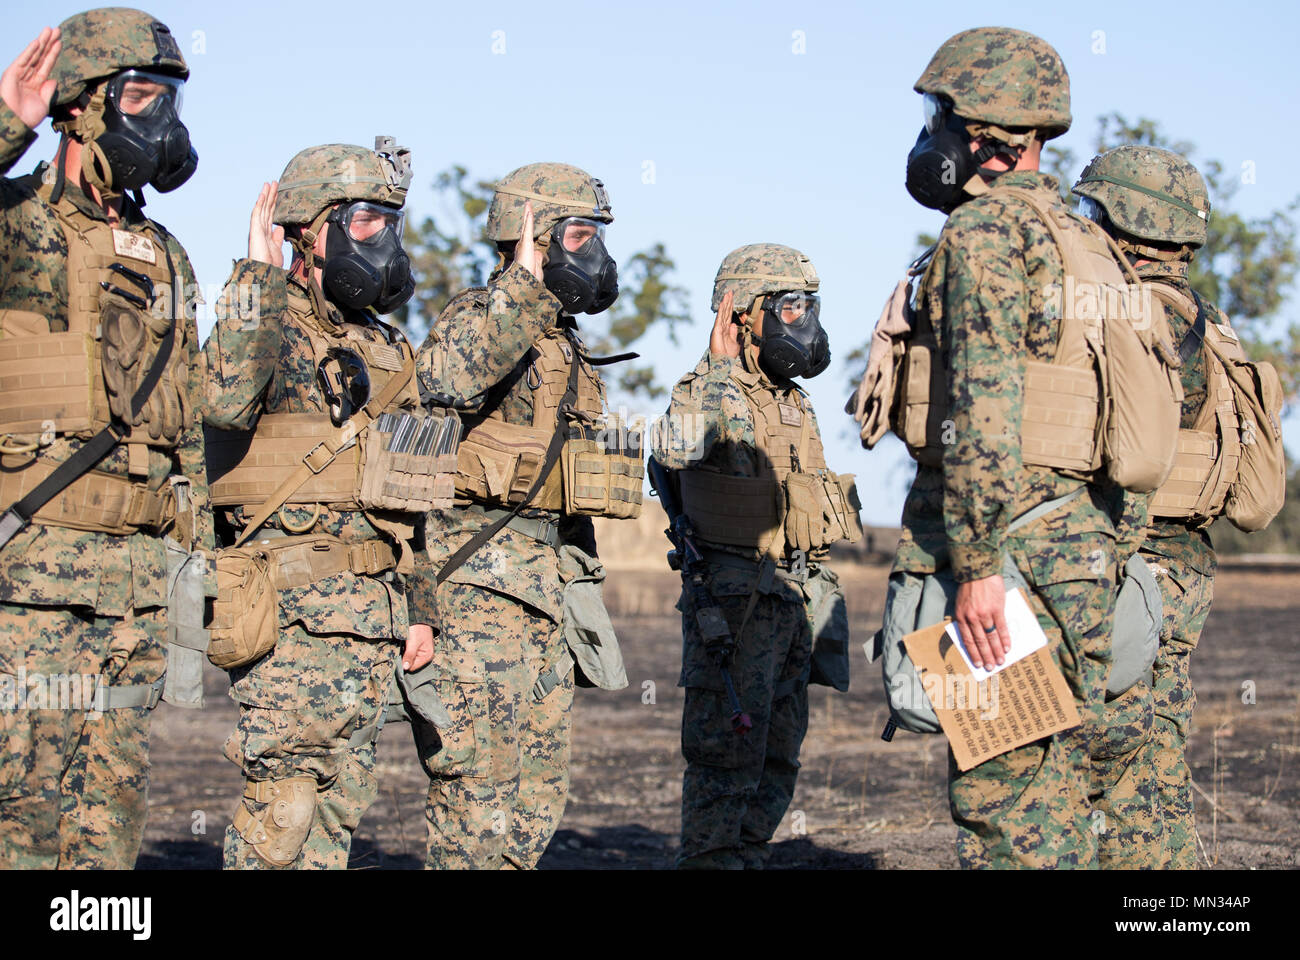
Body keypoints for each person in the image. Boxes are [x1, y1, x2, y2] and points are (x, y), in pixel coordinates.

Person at [878, 26, 1178, 868]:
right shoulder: (1092, 243)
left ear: (979, 133)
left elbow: (982, 409)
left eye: (941, 114)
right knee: (1053, 794)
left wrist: (975, 568)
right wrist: (1112, 551)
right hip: (1083, 550)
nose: (930, 134)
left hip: (1006, 558)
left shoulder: (984, 233)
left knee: (1005, 804)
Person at [0, 8, 212, 869]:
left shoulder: (166, 256)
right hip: (30, 585)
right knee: (20, 812)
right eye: (137, 95)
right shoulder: (17, 225)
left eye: (168, 98)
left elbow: (189, 428)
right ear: (78, 109)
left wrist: (193, 580)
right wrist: (8, 124)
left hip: (134, 588)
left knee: (107, 825)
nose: (158, 119)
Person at [203, 138, 446, 869]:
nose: (388, 242)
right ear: (311, 229)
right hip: (289, 618)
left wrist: (421, 608)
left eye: (392, 223)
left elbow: (416, 506)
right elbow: (219, 401)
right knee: (283, 812)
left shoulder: (392, 348)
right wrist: (254, 278)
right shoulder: (265, 321)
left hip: (374, 620)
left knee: (335, 819)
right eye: (369, 220)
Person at [407, 162, 639, 869]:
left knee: (537, 799)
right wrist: (521, 288)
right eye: (578, 235)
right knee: (476, 798)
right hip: (475, 594)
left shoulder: (561, 344)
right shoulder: (478, 320)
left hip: (547, 593)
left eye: (597, 236)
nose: (595, 253)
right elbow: (445, 381)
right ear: (528, 236)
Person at [1073, 145, 1286, 868]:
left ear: (1123, 219)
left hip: (1126, 560)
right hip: (1186, 561)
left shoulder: (1125, 312)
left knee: (1101, 749)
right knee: (1155, 735)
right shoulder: (1207, 319)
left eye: (1094, 210)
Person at [650, 244, 859, 869]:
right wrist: (715, 373)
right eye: (789, 307)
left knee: (778, 752)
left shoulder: (793, 399)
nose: (805, 323)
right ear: (742, 314)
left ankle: (747, 856)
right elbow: (675, 452)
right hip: (736, 603)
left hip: (795, 596)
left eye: (809, 307)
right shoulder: (705, 389)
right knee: (725, 757)